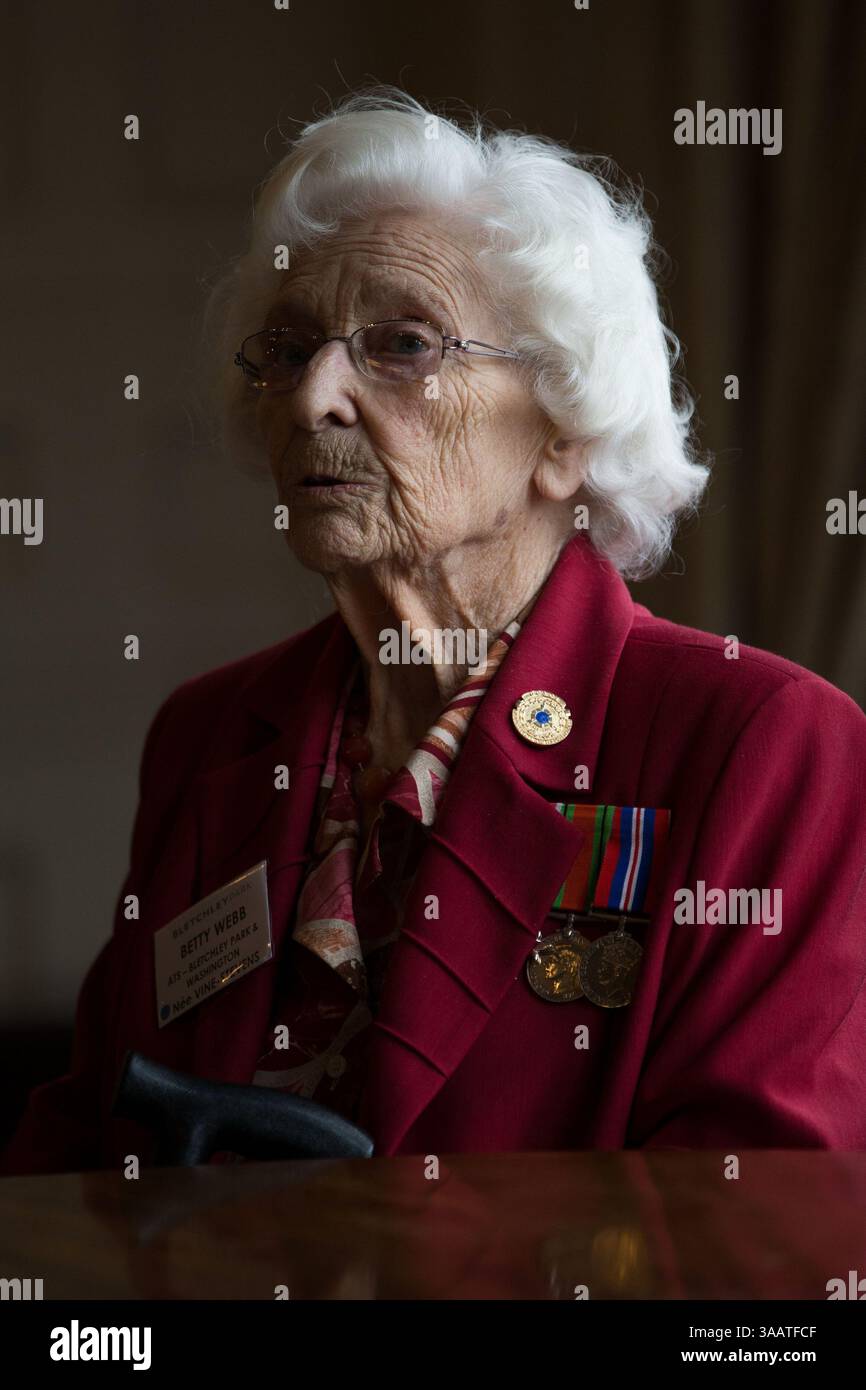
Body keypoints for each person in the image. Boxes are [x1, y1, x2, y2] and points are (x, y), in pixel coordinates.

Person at [4, 88, 865, 1176]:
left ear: (562, 431)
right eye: (284, 349)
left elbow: (752, 1226)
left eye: (401, 344)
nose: (315, 395)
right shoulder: (210, 735)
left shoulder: (760, 742)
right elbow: (87, 1147)